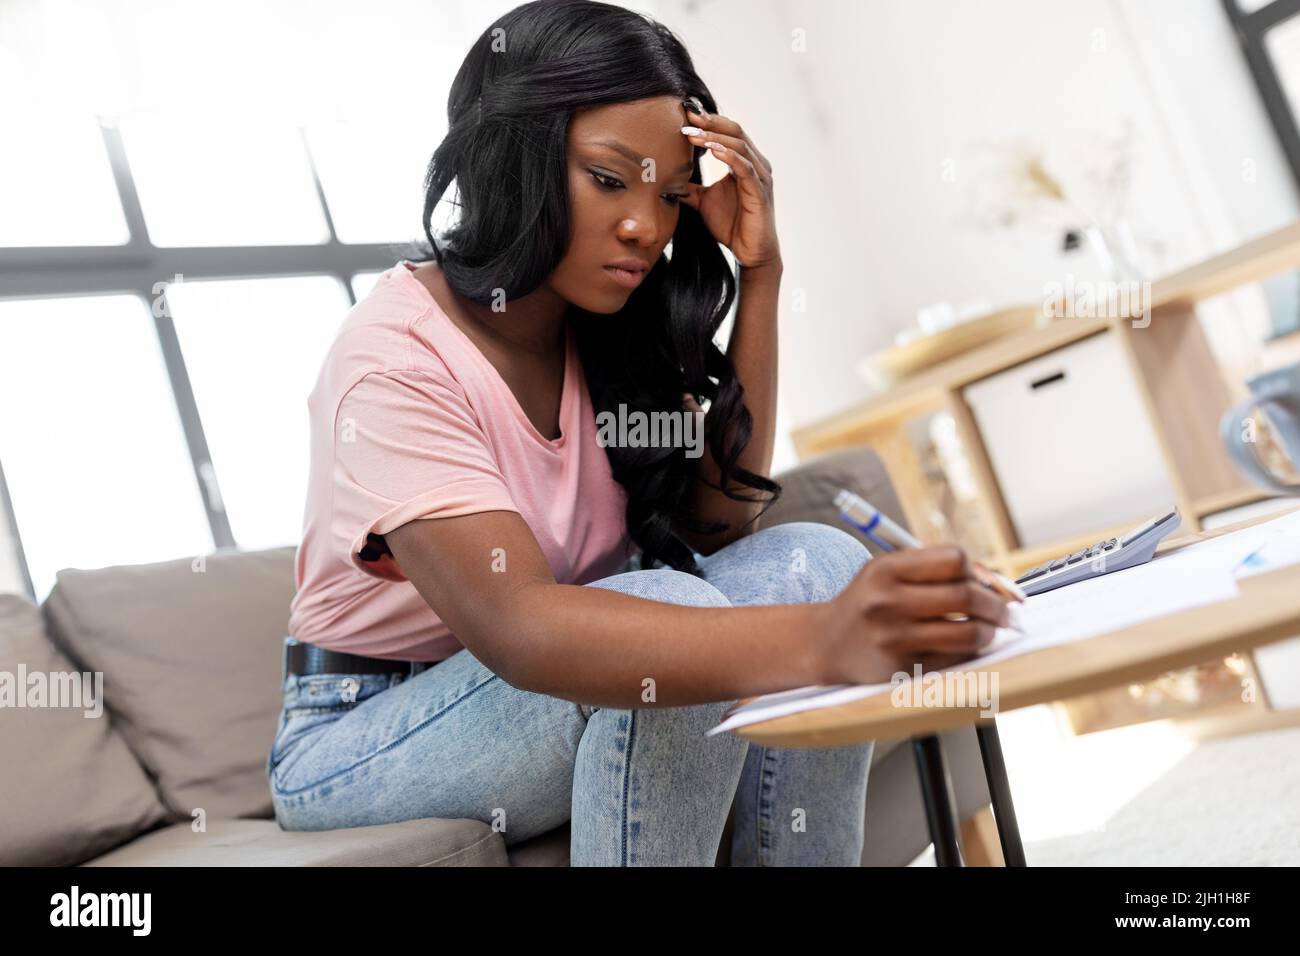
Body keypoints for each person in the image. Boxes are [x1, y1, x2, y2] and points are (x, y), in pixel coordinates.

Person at [267, 0, 1012, 866]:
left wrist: (761, 276)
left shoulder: (603, 317)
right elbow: (521, 628)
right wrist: (827, 639)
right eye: (610, 180)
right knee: (671, 618)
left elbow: (714, 524)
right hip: (359, 731)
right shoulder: (391, 360)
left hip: (519, 692)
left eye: (668, 196)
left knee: (817, 561)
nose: (647, 229)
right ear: (515, 157)